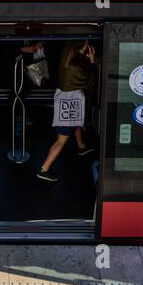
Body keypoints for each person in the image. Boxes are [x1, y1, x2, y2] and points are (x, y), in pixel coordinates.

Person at [37, 40, 97, 182]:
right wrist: (92, 61)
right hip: (70, 102)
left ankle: (81, 146)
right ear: (80, 47)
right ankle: (44, 169)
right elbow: (90, 80)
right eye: (85, 44)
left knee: (76, 122)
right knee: (61, 140)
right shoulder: (77, 66)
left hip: (65, 99)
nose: (87, 46)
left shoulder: (67, 58)